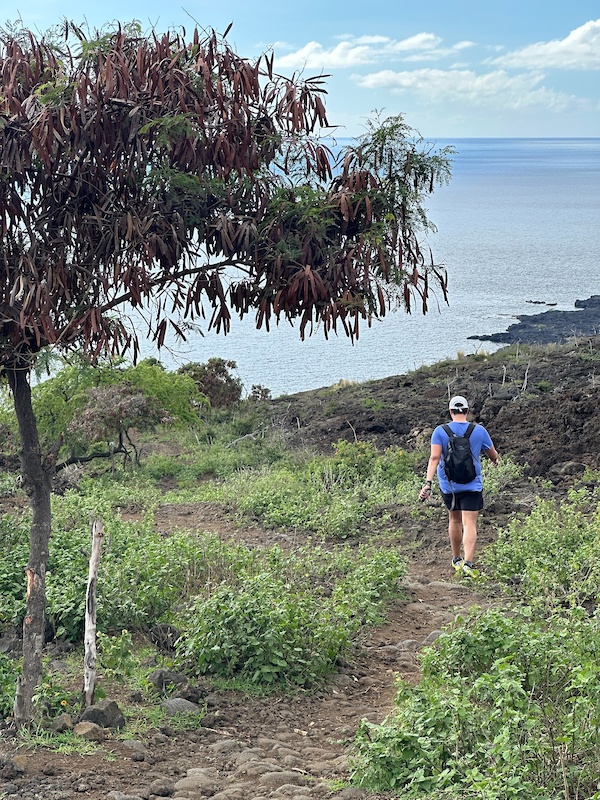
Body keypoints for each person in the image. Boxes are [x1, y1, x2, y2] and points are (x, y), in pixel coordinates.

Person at [418, 395, 499, 576]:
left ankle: (456, 559)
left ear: (451, 411)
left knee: (454, 520)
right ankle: (468, 563)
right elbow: (493, 455)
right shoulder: (479, 430)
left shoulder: (440, 431)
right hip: (472, 485)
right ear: (468, 411)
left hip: (450, 487)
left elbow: (434, 458)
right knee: (470, 523)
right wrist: (495, 462)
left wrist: (428, 483)